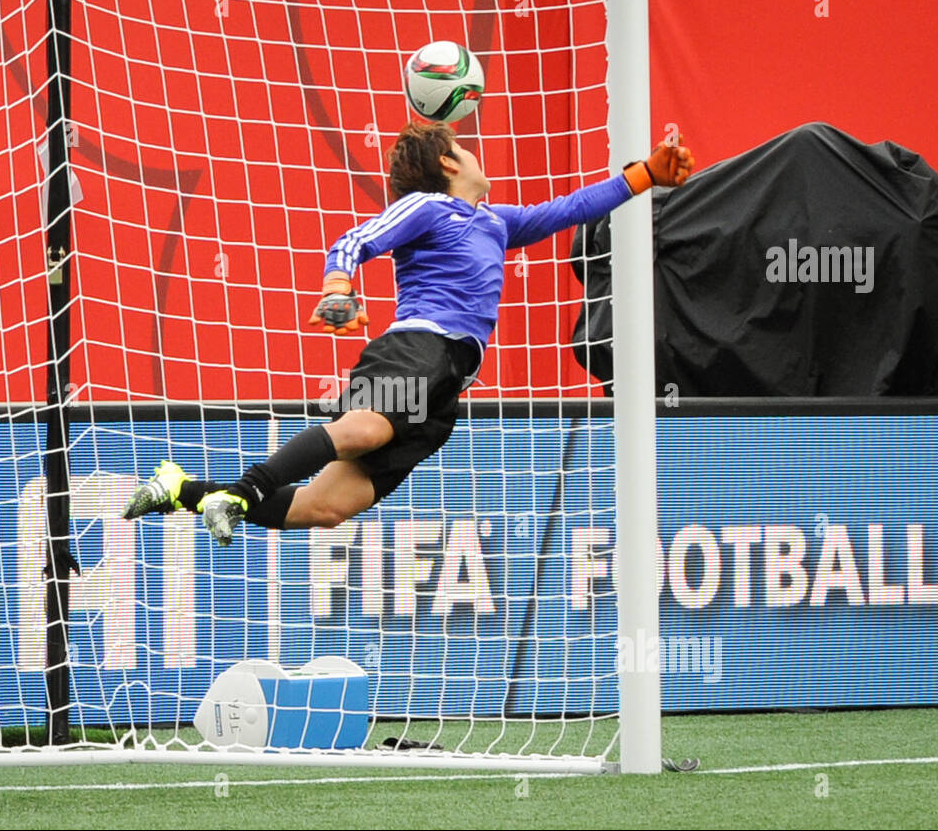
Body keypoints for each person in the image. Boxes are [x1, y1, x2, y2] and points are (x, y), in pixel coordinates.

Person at [124, 122, 694, 545]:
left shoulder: (496, 221)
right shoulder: (428, 207)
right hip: (417, 346)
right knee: (366, 428)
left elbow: (571, 207)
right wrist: (337, 288)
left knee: (324, 509)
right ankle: (245, 489)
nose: (477, 156)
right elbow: (355, 240)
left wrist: (645, 175)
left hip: (448, 381)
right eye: (466, 149)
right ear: (449, 164)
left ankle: (183, 490)